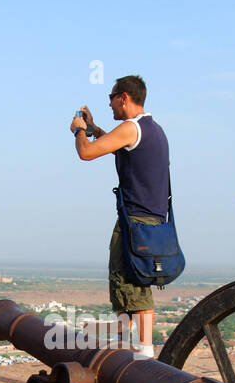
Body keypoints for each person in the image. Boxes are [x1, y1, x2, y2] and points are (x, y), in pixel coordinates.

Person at [70, 74, 169, 357]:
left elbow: (86, 154)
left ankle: (145, 351)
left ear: (123, 97)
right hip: (152, 220)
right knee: (130, 282)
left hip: (136, 220)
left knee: (132, 283)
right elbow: (117, 146)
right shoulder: (152, 129)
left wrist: (79, 131)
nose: (109, 104)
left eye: (111, 98)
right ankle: (126, 344)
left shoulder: (130, 128)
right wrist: (94, 128)